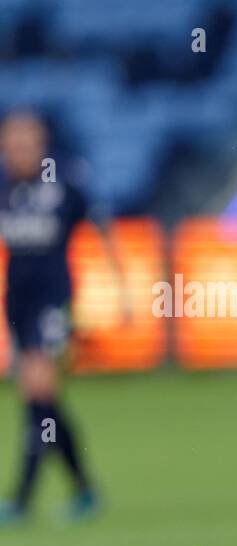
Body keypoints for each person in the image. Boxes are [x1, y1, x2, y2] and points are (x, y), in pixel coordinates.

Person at [0, 110, 117, 524]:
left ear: (41, 141)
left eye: (23, 142)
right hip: (18, 304)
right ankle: (84, 490)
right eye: (10, 144)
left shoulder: (64, 179)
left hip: (54, 302)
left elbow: (101, 224)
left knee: (36, 388)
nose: (16, 151)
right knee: (42, 399)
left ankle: (21, 499)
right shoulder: (6, 186)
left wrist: (120, 286)